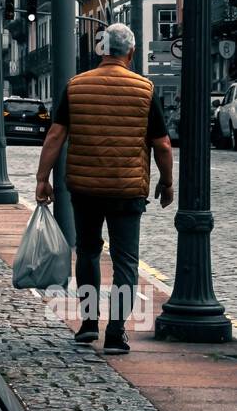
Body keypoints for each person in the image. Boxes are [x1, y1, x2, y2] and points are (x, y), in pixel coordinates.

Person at [34, 23, 173, 355]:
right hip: (127, 191)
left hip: (85, 190)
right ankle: (115, 333)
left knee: (88, 252)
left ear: (102, 50)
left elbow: (55, 136)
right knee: (125, 261)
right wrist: (166, 183)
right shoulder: (145, 89)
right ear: (131, 52)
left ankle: (87, 324)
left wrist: (42, 178)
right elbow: (163, 145)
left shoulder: (76, 86)